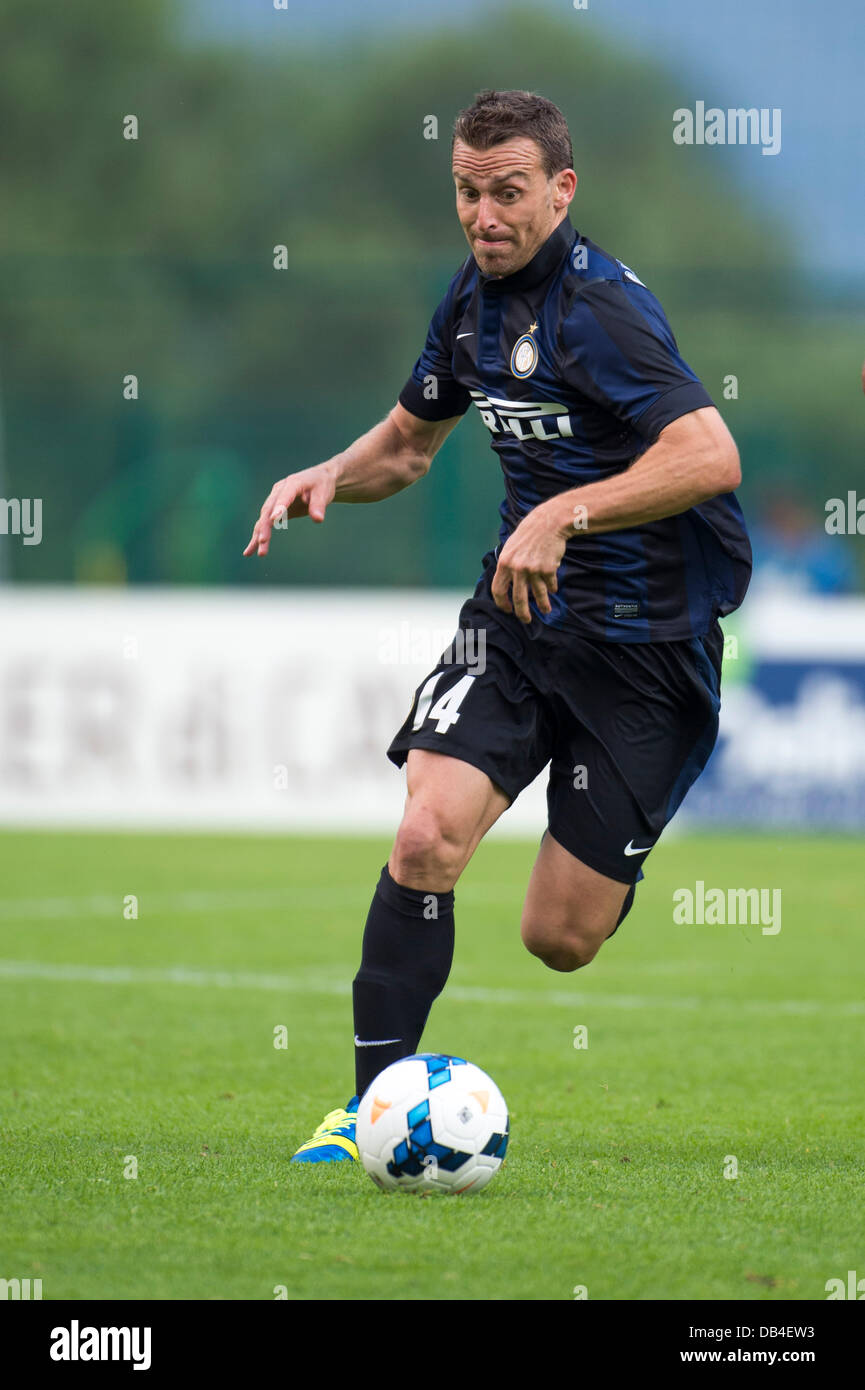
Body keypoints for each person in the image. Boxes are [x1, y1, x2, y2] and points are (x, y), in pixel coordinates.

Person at [244, 89, 751, 1163]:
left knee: (557, 939)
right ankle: (369, 1108)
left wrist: (568, 509)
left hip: (650, 652)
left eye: (508, 191)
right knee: (425, 835)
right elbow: (408, 445)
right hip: (521, 624)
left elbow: (709, 454)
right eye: (468, 192)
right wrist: (331, 473)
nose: (485, 214)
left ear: (561, 190)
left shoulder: (602, 310)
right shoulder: (469, 306)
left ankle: (604, 840)